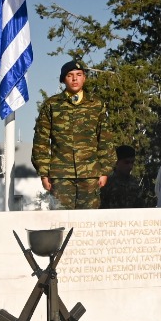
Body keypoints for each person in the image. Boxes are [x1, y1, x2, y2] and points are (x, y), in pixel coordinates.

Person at [32, 60, 113, 210]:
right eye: (70, 75)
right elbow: (40, 141)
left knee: (88, 220)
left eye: (79, 75)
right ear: (63, 80)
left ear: (84, 78)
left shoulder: (96, 105)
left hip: (90, 175)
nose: (75, 79)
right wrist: (44, 173)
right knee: (61, 220)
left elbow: (105, 139)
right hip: (61, 176)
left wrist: (104, 171)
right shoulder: (52, 105)